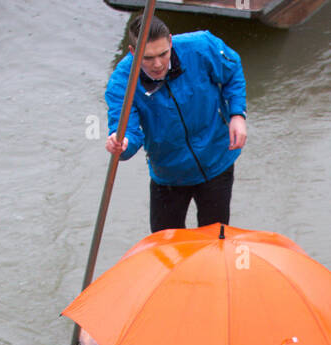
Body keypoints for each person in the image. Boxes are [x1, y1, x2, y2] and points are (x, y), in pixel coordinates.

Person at [105, 14, 247, 233]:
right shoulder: (121, 83)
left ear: (171, 41)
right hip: (168, 176)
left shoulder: (202, 46)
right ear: (133, 53)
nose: (158, 64)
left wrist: (238, 113)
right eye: (148, 58)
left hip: (216, 163)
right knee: (165, 248)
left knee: (215, 242)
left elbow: (233, 70)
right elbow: (128, 134)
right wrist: (121, 144)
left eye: (163, 53)